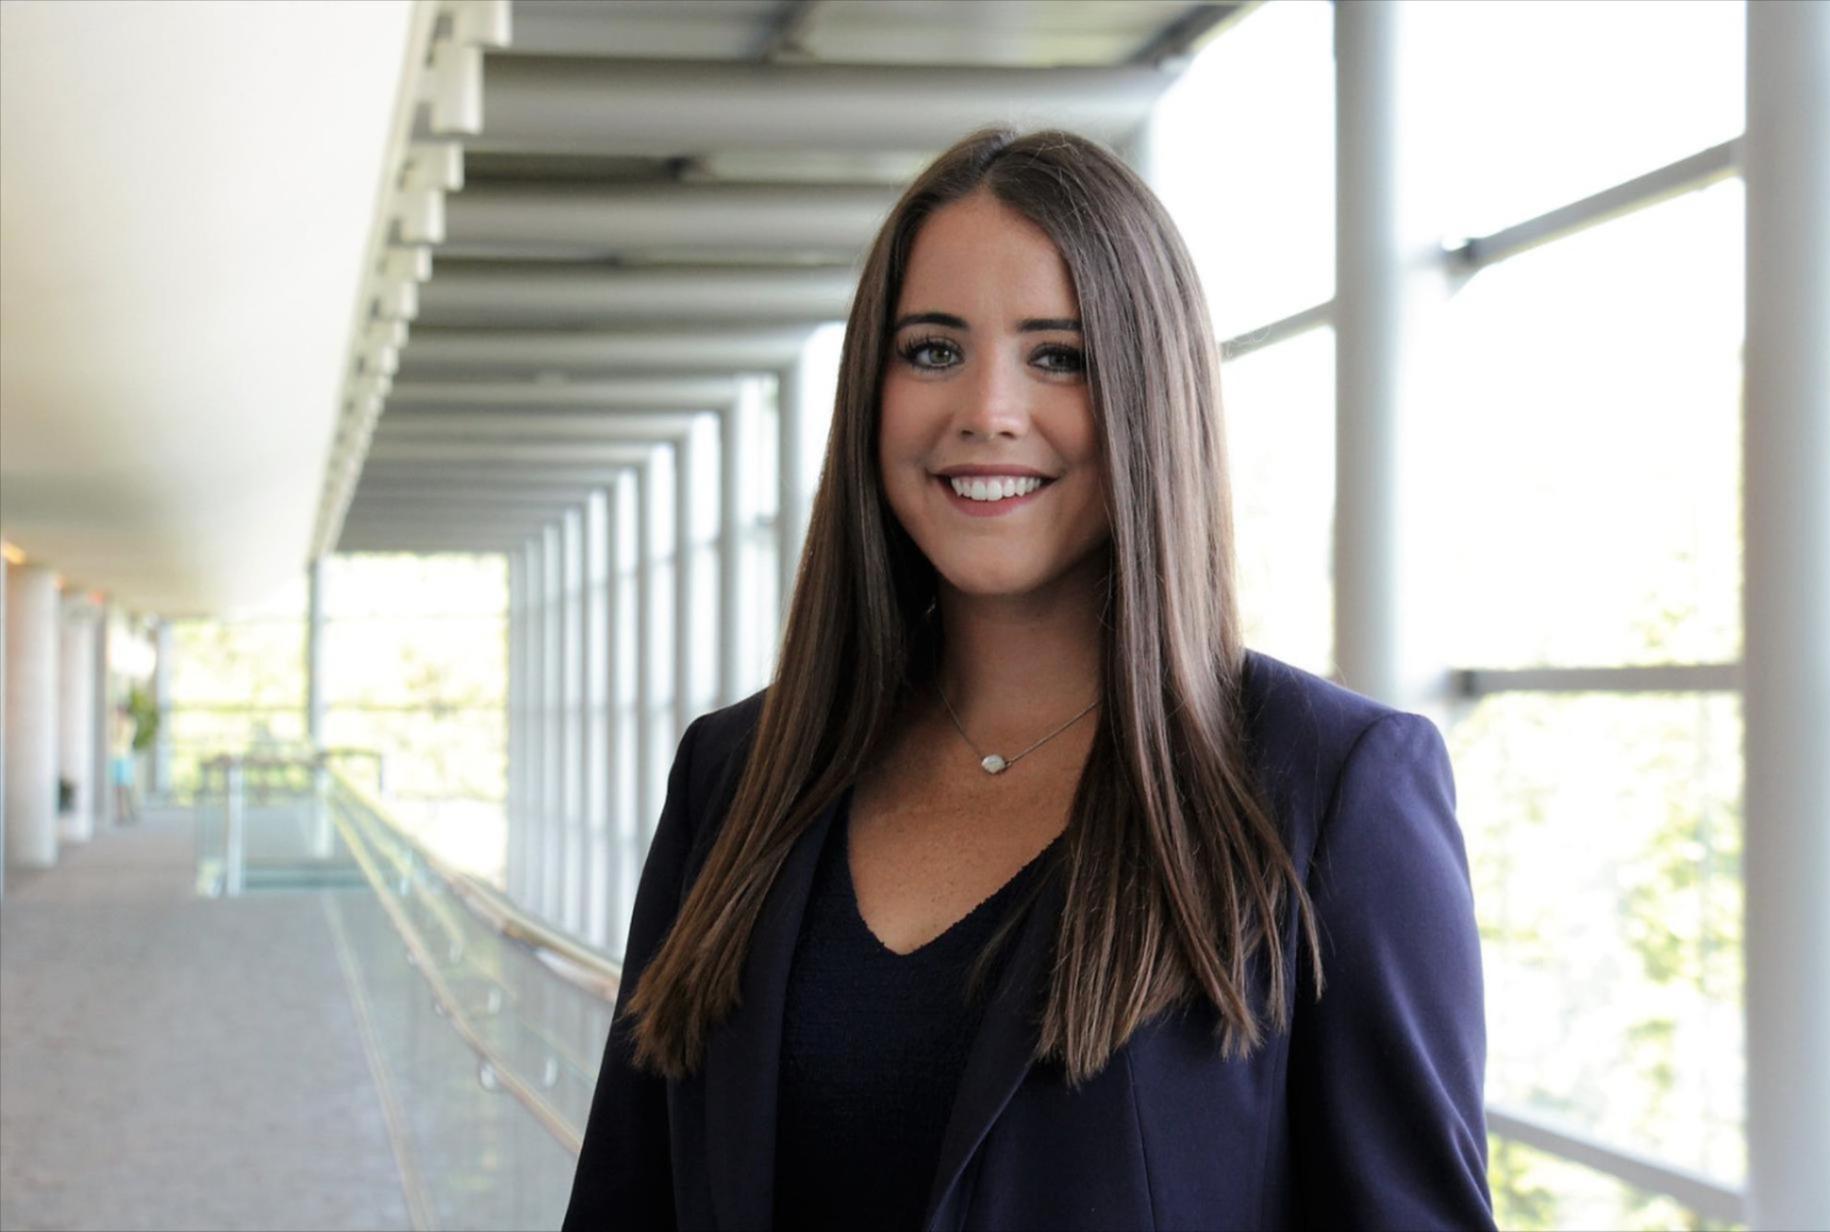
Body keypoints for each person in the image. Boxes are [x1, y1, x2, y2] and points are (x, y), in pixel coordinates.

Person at [564, 127, 1493, 1231]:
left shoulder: (1327, 789)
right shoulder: (735, 775)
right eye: (931, 350)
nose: (987, 409)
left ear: (1152, 397)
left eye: (1059, 355)